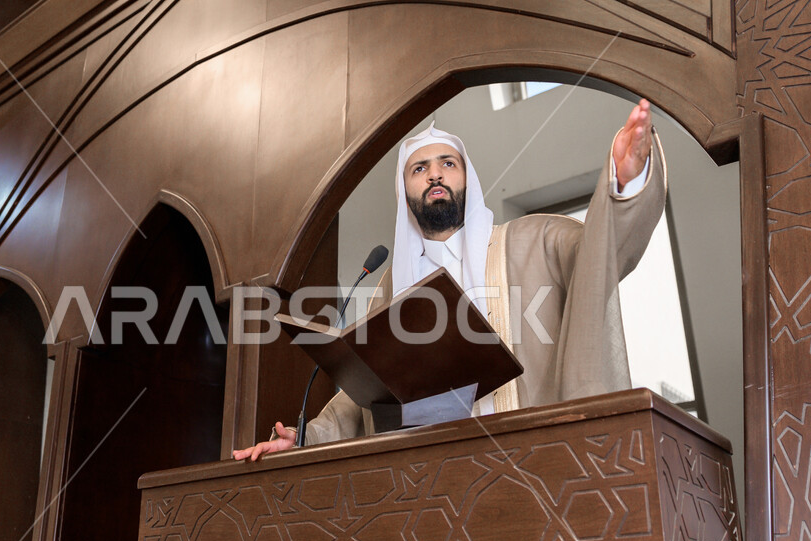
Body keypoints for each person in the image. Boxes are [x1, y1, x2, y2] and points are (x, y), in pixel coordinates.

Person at [233, 99, 666, 461]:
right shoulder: (389, 285)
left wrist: (624, 185)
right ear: (404, 192)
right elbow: (367, 390)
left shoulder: (537, 240)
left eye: (447, 163)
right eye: (419, 168)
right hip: (433, 474)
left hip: (532, 457)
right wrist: (305, 436)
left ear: (466, 178)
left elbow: (602, 254)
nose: (435, 174)